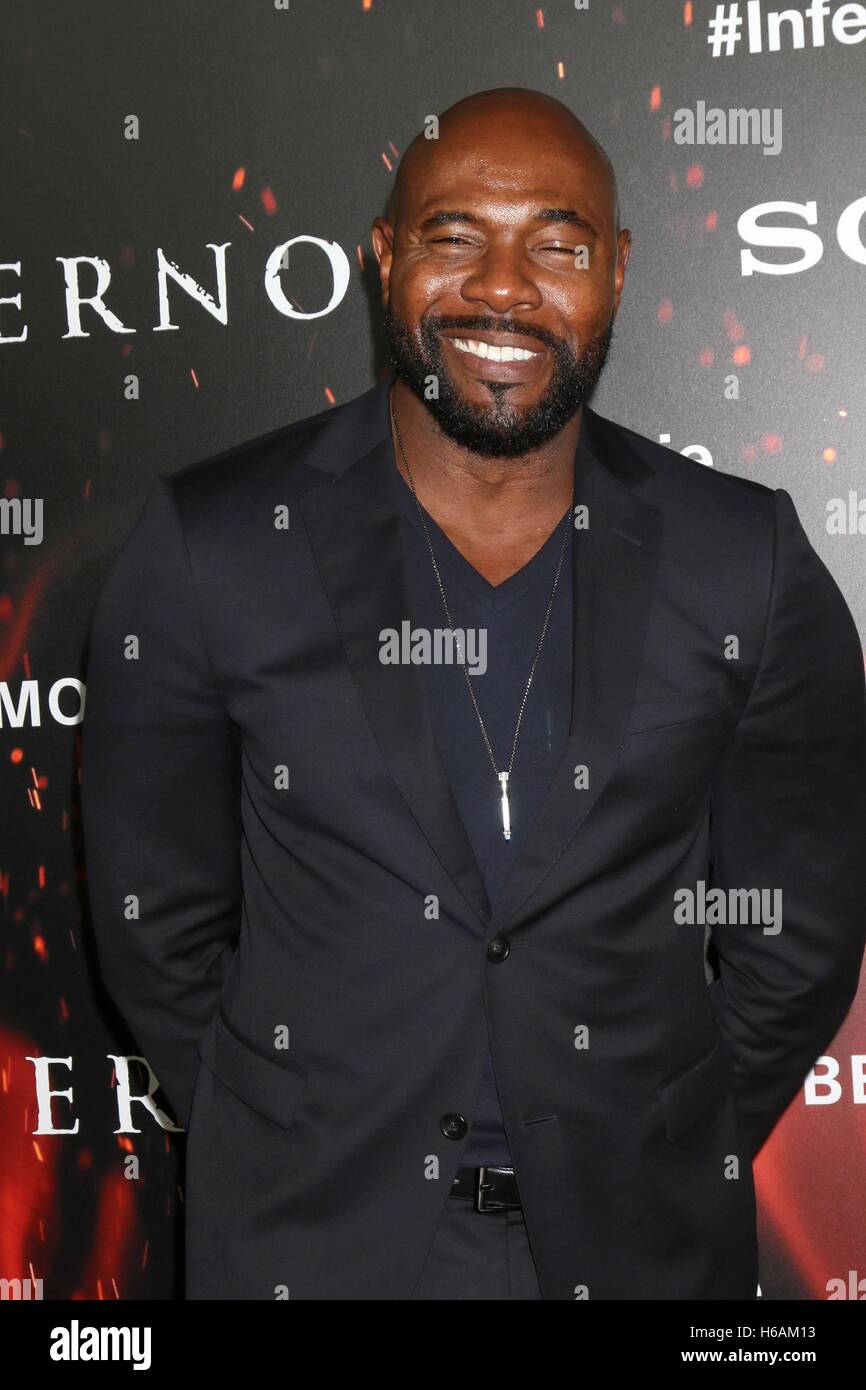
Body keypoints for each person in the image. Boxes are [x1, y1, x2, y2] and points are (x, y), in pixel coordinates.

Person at [81, 87, 866, 1300]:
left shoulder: (741, 557)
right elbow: (156, 923)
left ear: (614, 270)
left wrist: (659, 1133)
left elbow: (798, 932)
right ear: (384, 258)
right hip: (313, 1247)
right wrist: (282, 1127)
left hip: (637, 1249)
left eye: (554, 245)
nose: (502, 288)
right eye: (453, 237)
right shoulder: (216, 541)